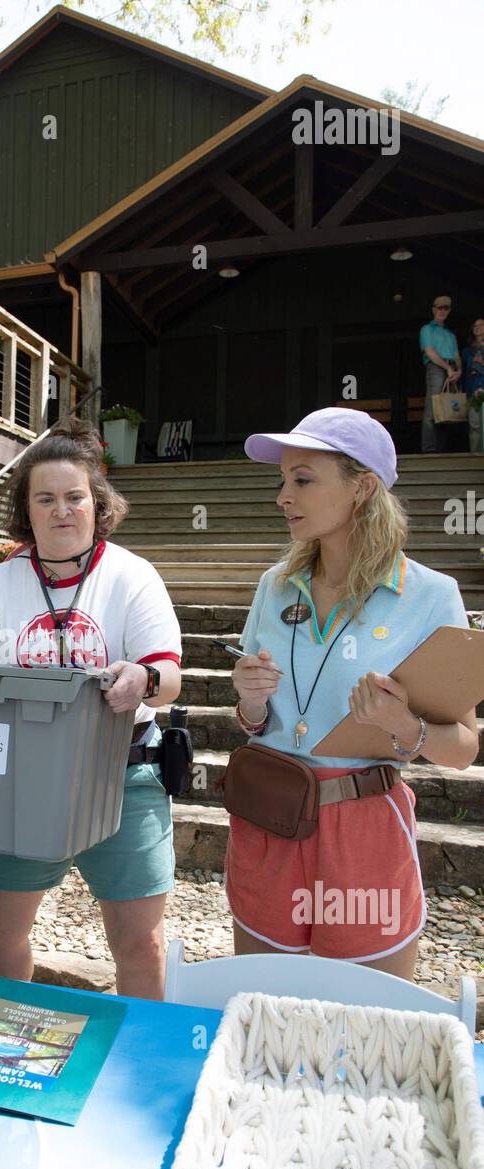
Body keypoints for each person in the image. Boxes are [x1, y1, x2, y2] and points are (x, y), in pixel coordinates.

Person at [227, 406, 477, 980]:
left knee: (365, 1023)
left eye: (303, 479)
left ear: (363, 488)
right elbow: (257, 718)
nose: (283, 496)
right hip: (270, 817)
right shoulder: (274, 584)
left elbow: (463, 748)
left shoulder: (433, 595)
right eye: (283, 479)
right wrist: (252, 702)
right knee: (265, 1011)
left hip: (364, 830)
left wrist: (402, 726)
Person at [0, 416, 182, 1000]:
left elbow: (168, 677)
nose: (61, 510)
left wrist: (141, 678)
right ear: (26, 510)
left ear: (97, 503)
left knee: (141, 946)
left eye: (75, 497)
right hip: (19, 784)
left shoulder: (133, 576)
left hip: (124, 775)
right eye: (45, 499)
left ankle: (134, 1062)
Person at [419, 294, 462, 453]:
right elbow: (430, 352)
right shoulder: (427, 329)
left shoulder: (450, 335)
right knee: (433, 409)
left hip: (451, 371)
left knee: (448, 411)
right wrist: (448, 368)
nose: (442, 311)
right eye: (439, 308)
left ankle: (442, 450)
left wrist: (459, 370)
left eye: (446, 308)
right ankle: (429, 451)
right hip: (436, 368)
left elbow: (457, 355)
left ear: (449, 311)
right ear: (433, 309)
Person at [462, 317, 484, 454]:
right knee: (474, 426)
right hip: (472, 391)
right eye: (475, 325)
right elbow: (466, 372)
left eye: (481, 324)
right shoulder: (467, 351)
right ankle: (475, 455)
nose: (478, 327)